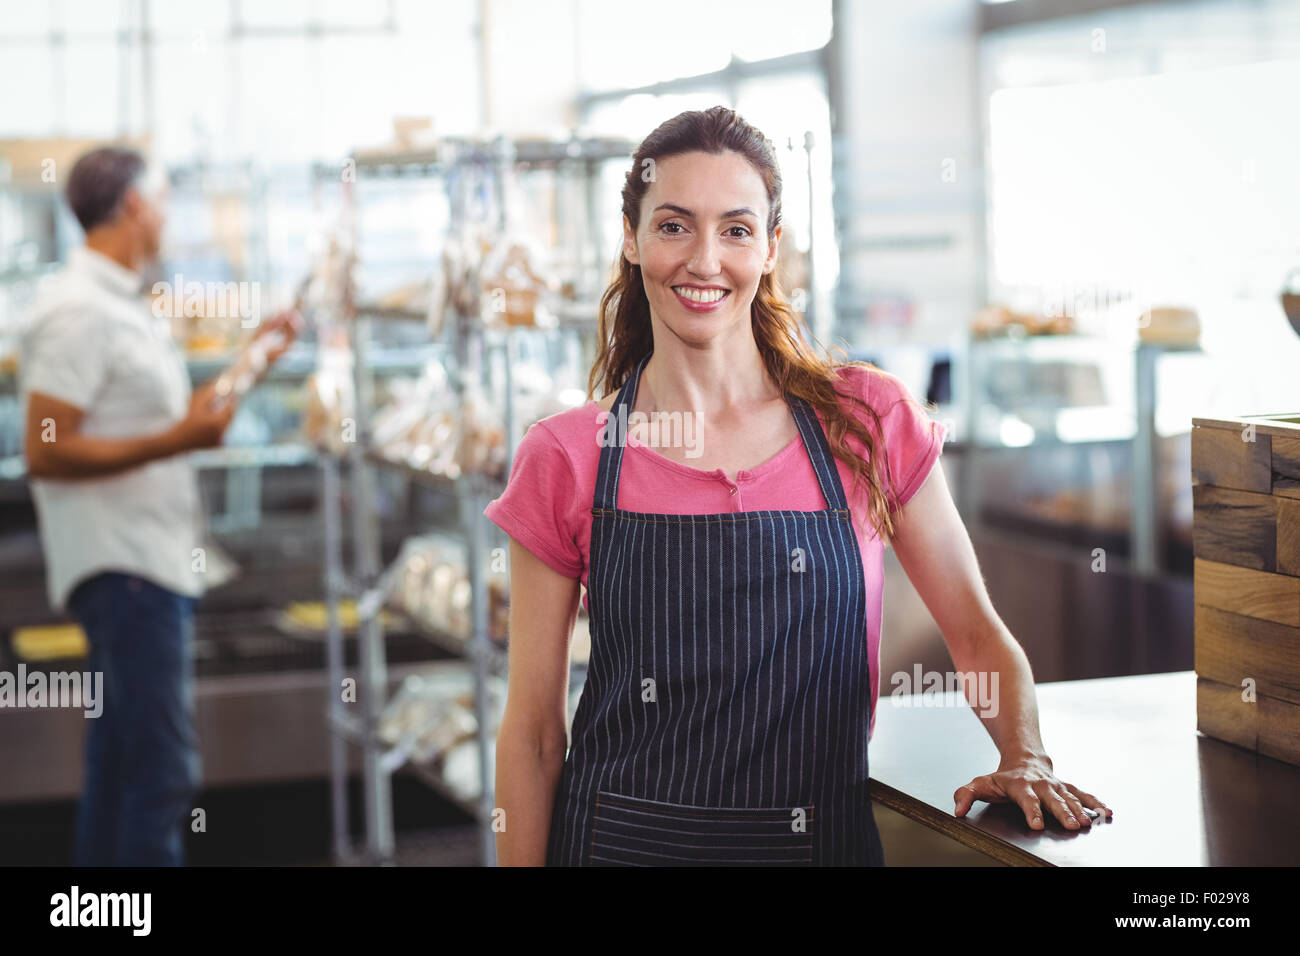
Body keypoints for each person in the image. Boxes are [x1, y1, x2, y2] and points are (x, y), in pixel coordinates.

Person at [485, 106, 1112, 866]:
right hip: (620, 847)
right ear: (632, 237)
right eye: (675, 225)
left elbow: (977, 634)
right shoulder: (568, 454)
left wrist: (1026, 754)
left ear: (771, 247)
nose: (705, 259)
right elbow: (534, 735)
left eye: (737, 229)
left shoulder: (865, 421)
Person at [19, 146, 299, 866]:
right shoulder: (78, 309)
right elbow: (47, 448)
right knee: (162, 773)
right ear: (136, 207)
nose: (171, 216)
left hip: (150, 565)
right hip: (125, 570)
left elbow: (188, 418)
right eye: (165, 201)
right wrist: (177, 438)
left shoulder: (120, 302)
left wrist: (254, 358)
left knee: (119, 769)